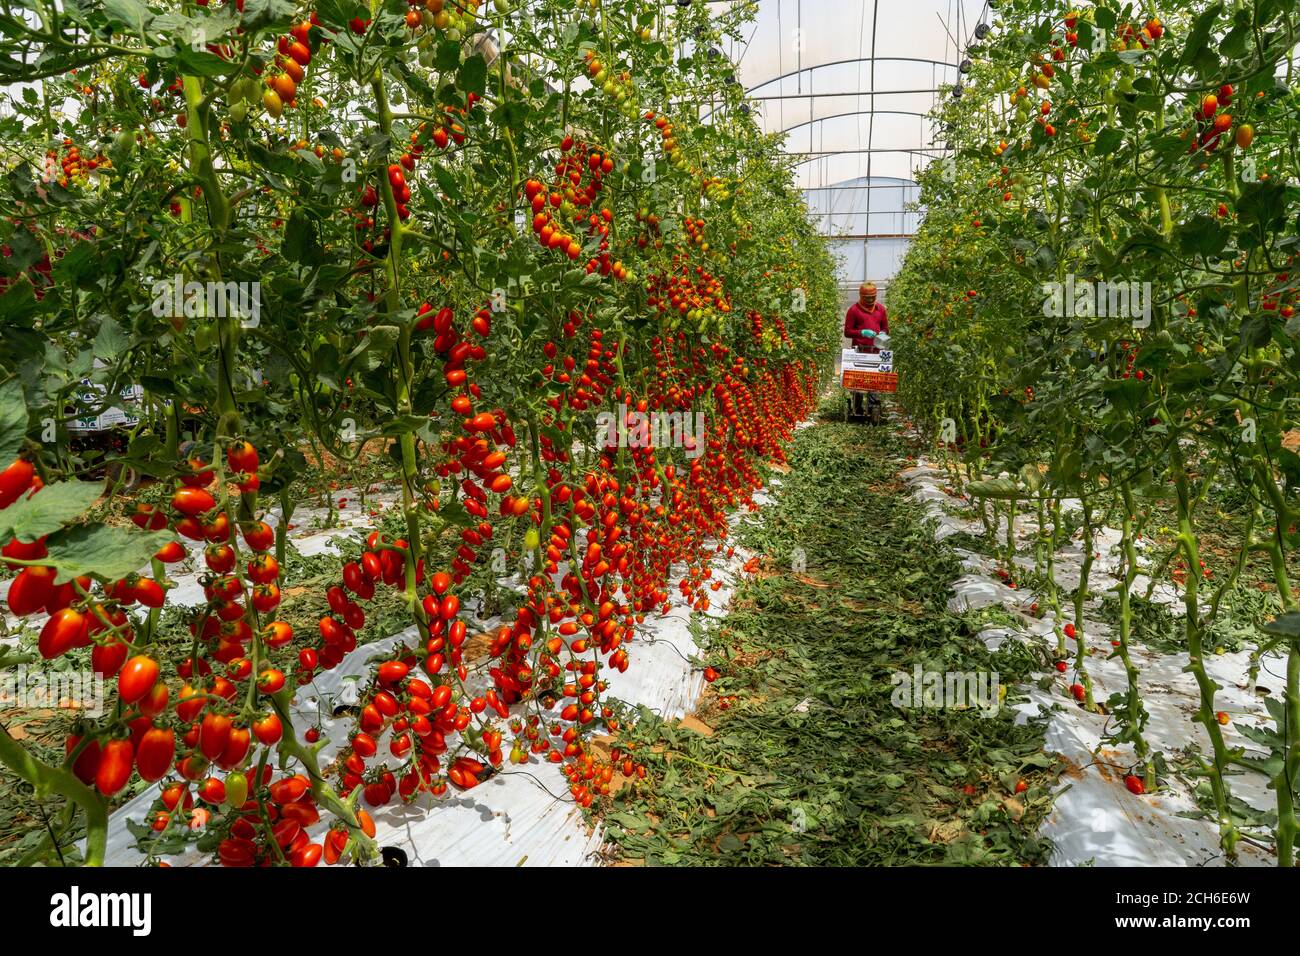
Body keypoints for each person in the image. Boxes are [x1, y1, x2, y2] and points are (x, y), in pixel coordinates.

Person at [843, 283, 889, 418]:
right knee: (859, 380)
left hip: (875, 351)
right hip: (859, 352)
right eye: (867, 298)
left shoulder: (880, 309)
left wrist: (882, 334)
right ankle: (857, 407)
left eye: (872, 297)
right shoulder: (854, 310)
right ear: (861, 296)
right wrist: (862, 332)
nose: (870, 300)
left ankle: (872, 405)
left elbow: (886, 328)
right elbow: (847, 332)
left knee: (874, 379)